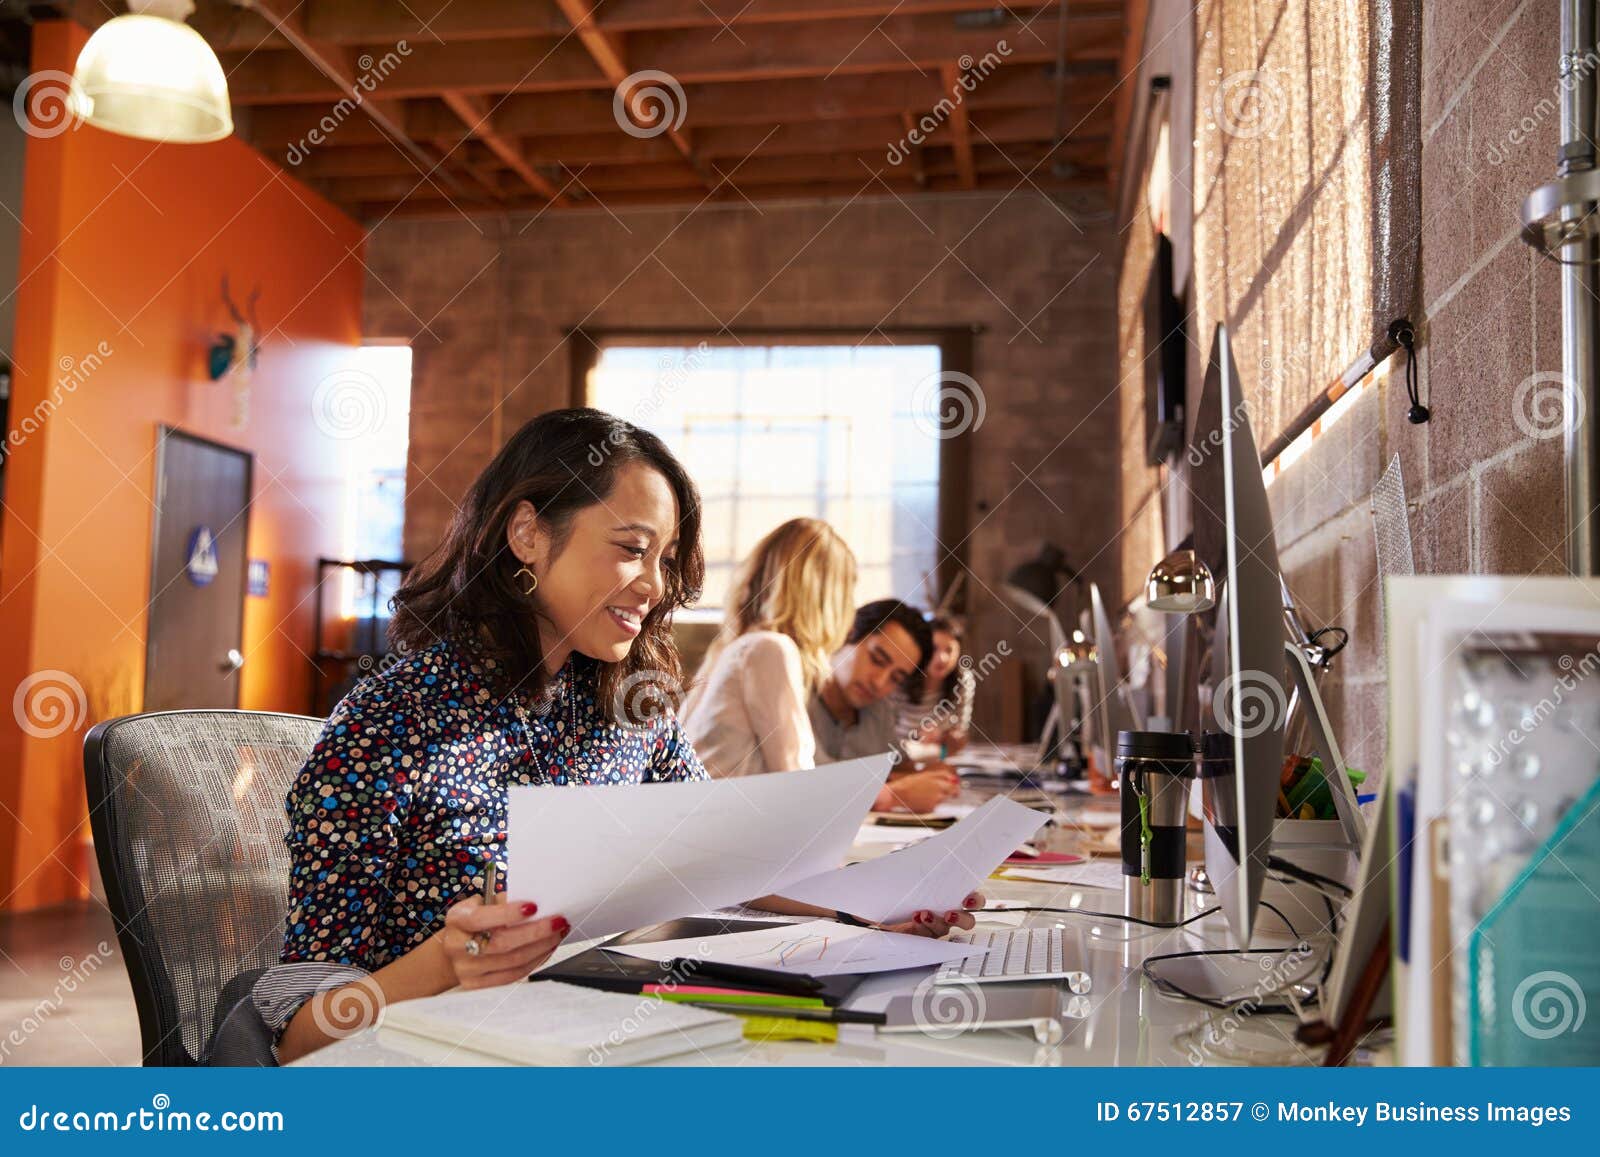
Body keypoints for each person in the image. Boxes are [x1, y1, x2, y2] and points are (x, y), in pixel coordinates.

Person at [259, 410, 976, 1064]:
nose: (656, 585)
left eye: (665, 560)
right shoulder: (391, 720)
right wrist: (445, 961)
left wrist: (876, 904)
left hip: (589, 1043)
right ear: (527, 534)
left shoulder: (628, 707)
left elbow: (730, 855)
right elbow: (296, 1035)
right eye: (633, 549)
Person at [683, 525, 963, 813]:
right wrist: (891, 796)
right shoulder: (771, 650)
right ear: (827, 595)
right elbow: (803, 789)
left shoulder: (734, 650)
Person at [809, 599, 962, 812]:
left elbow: (899, 767)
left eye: (896, 679)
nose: (879, 683)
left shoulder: (877, 708)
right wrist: (894, 795)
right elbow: (806, 789)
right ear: (847, 634)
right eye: (877, 660)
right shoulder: (792, 695)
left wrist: (928, 776)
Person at [895, 613, 976, 756]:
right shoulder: (901, 677)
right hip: (899, 761)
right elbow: (884, 738)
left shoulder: (963, 680)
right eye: (934, 648)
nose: (942, 658)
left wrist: (945, 736)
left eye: (949, 650)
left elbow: (960, 731)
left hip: (938, 758)